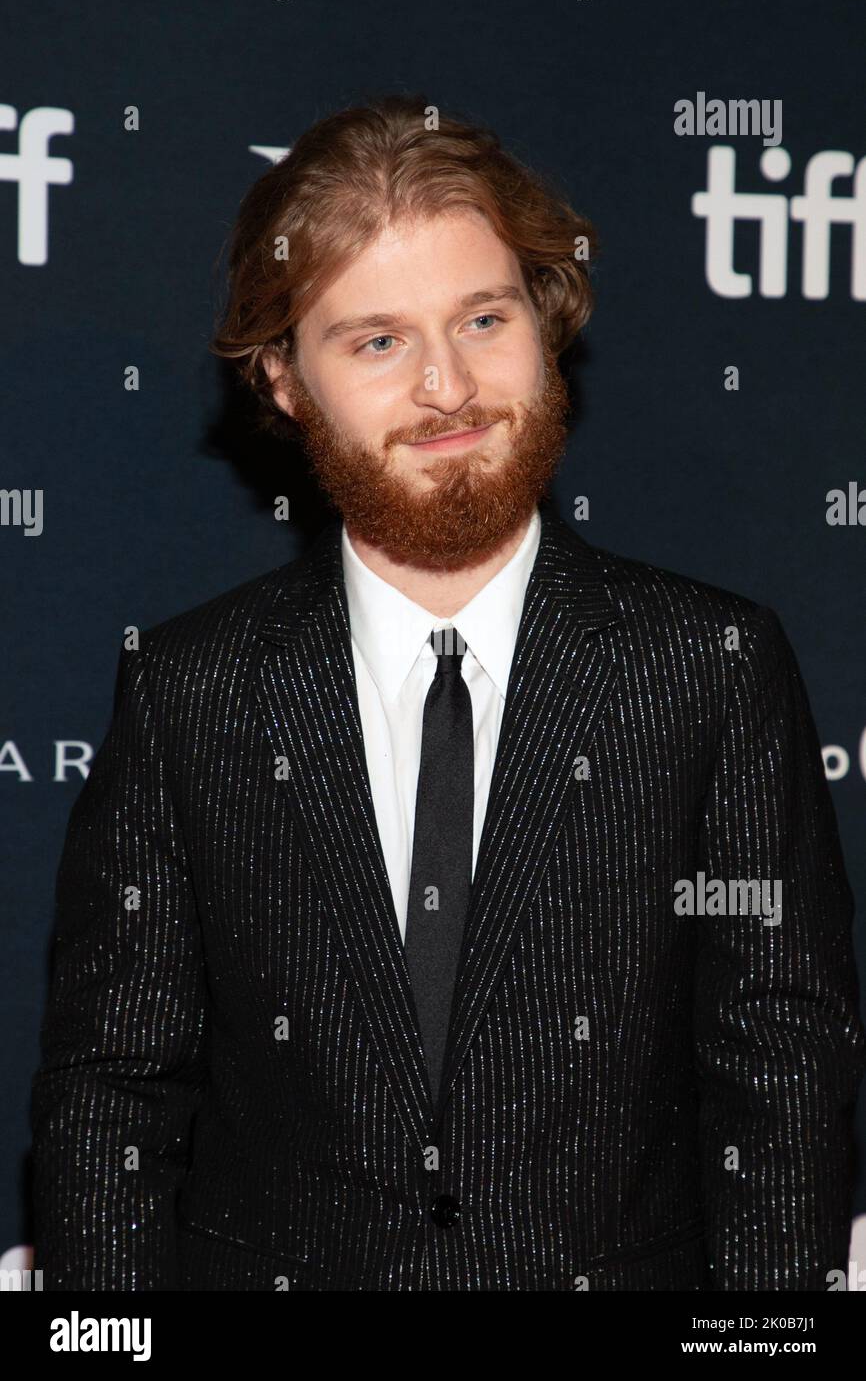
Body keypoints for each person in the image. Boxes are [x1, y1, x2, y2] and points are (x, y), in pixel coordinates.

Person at [31, 94, 866, 1291]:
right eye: (375, 341)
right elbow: (111, 1098)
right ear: (281, 379)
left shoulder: (708, 667)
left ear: (546, 319)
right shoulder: (190, 692)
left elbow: (778, 1076)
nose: (445, 387)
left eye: (483, 317)